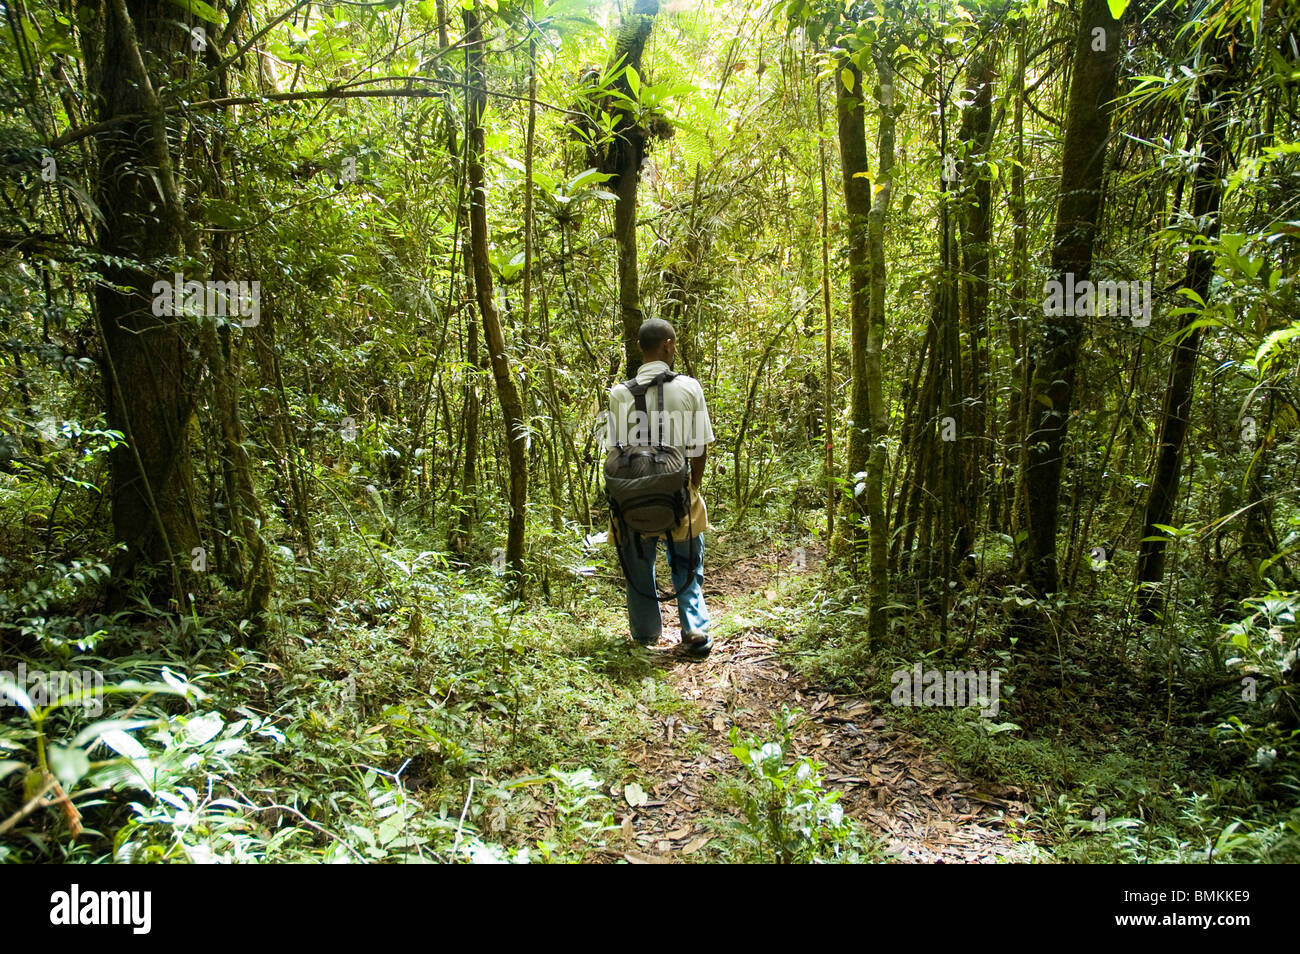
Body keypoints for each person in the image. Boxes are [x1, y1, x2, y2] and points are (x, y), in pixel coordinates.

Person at [607, 318, 715, 655]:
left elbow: (613, 450)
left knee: (637, 565)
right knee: (687, 564)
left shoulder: (619, 393)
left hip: (630, 499)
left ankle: (644, 635)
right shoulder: (689, 387)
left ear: (640, 348)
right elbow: (698, 448)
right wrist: (692, 488)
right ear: (668, 345)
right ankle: (695, 629)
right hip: (677, 492)